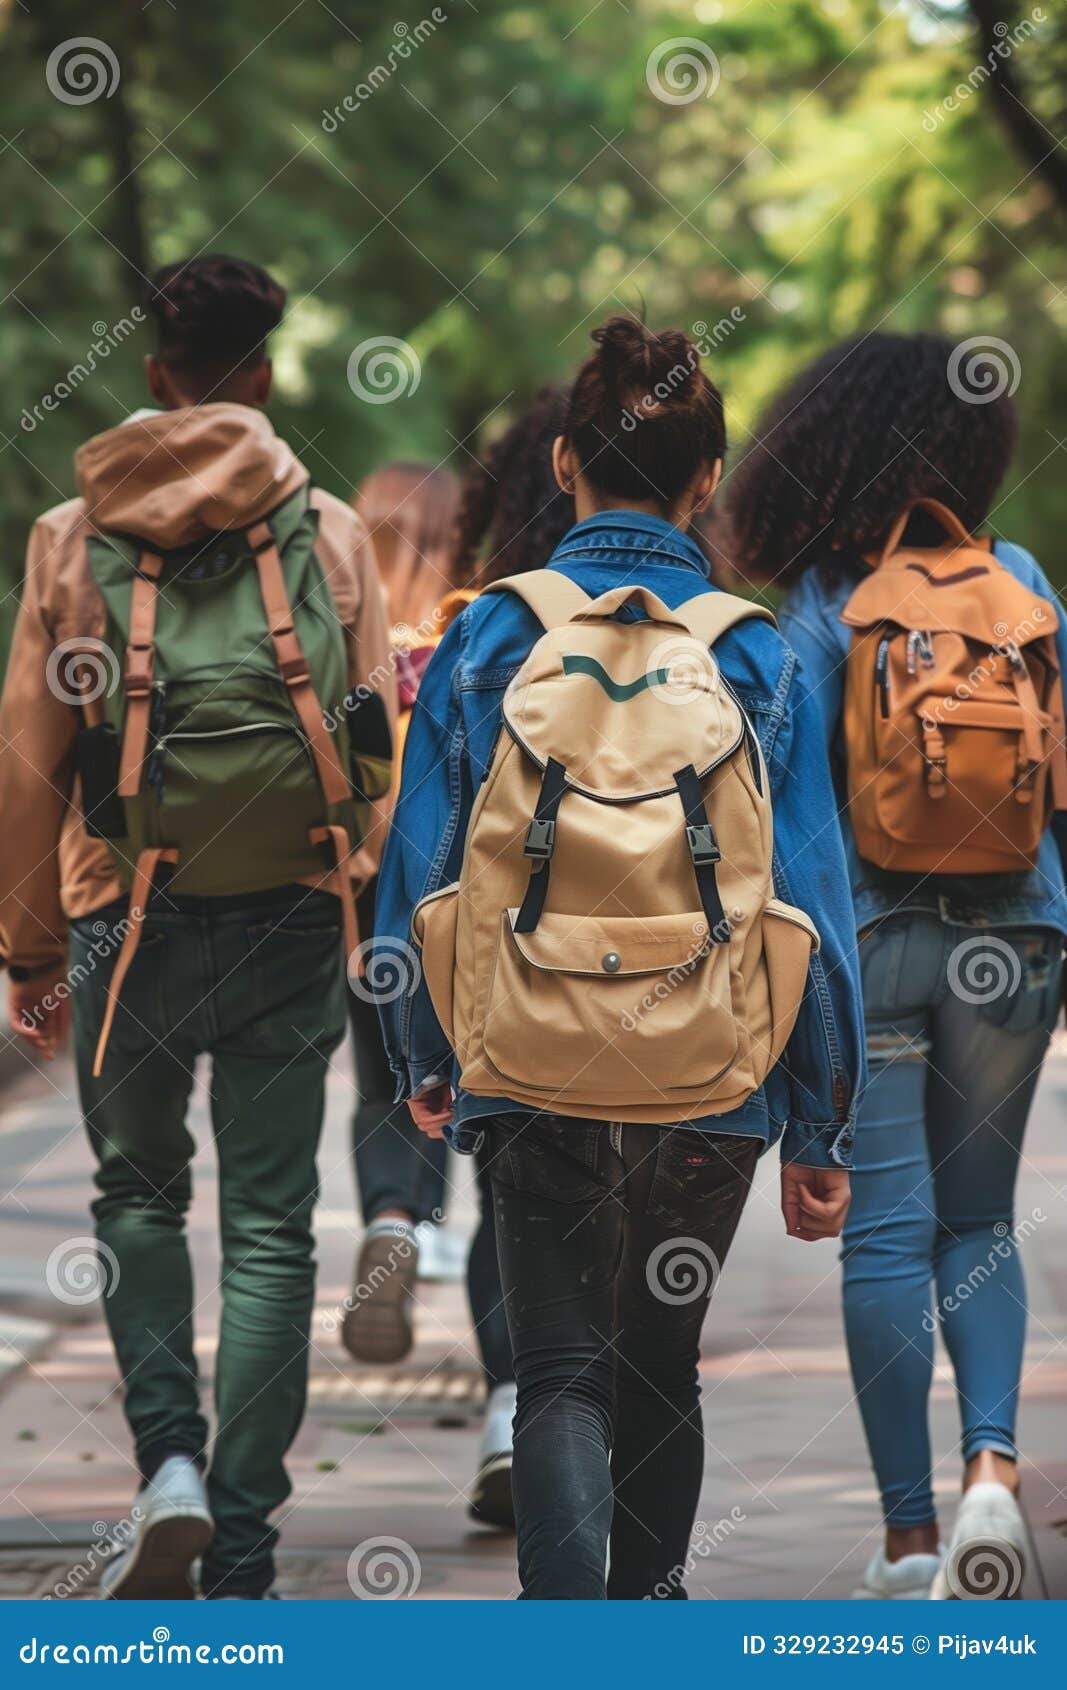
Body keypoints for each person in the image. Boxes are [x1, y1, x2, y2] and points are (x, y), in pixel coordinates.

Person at [376, 318, 864, 1598]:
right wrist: (820, 1122)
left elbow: (418, 870)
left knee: (560, 1374)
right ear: (706, 479)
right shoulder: (751, 651)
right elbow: (810, 903)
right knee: (660, 1368)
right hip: (709, 1076)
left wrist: (421, 1054)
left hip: (527, 1056)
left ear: (559, 465)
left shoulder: (487, 639)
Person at [0, 254, 395, 1600]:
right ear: (265, 374)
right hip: (288, 906)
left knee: (137, 1194)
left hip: (128, 913)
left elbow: (28, 761)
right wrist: (352, 893)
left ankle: (167, 1463)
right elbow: (372, 749)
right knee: (274, 1227)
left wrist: (32, 947)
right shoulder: (328, 530)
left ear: (156, 373)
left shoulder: (71, 537)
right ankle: (244, 1537)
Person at [731, 331, 1067, 1600]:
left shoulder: (814, 606)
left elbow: (785, 827)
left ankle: (909, 1538)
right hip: (1017, 936)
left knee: (884, 1236)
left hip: (870, 942)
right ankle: (992, 1474)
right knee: (978, 1219)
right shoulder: (1019, 580)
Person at [344, 399, 574, 1528]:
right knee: (505, 1169)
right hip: (485, 927)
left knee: (389, 1089)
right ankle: (505, 1407)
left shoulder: (360, 635)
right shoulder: (487, 627)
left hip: (367, 907)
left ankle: (392, 1219)